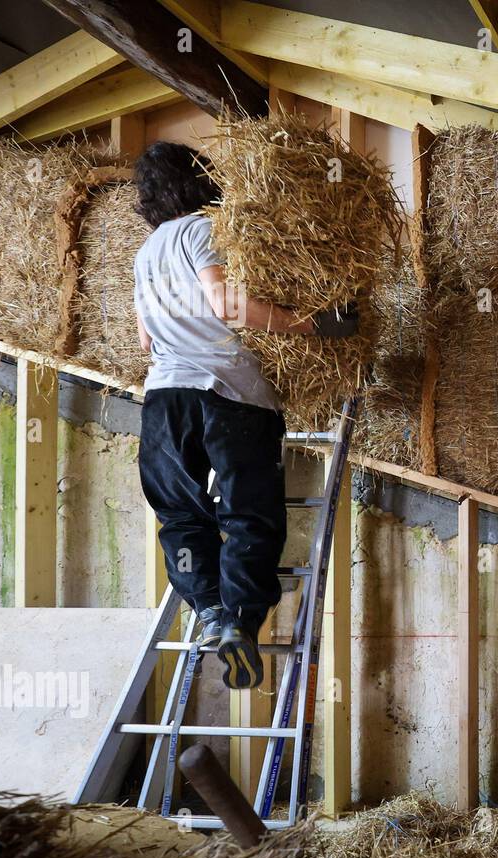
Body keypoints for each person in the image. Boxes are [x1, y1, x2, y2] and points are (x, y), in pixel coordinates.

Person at [132, 141, 357, 690]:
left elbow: (144, 339)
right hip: (227, 394)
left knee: (182, 518)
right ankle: (242, 621)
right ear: (200, 180)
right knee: (249, 513)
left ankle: (210, 612)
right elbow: (226, 305)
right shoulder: (200, 229)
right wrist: (310, 325)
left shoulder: (145, 254)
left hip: (163, 400)